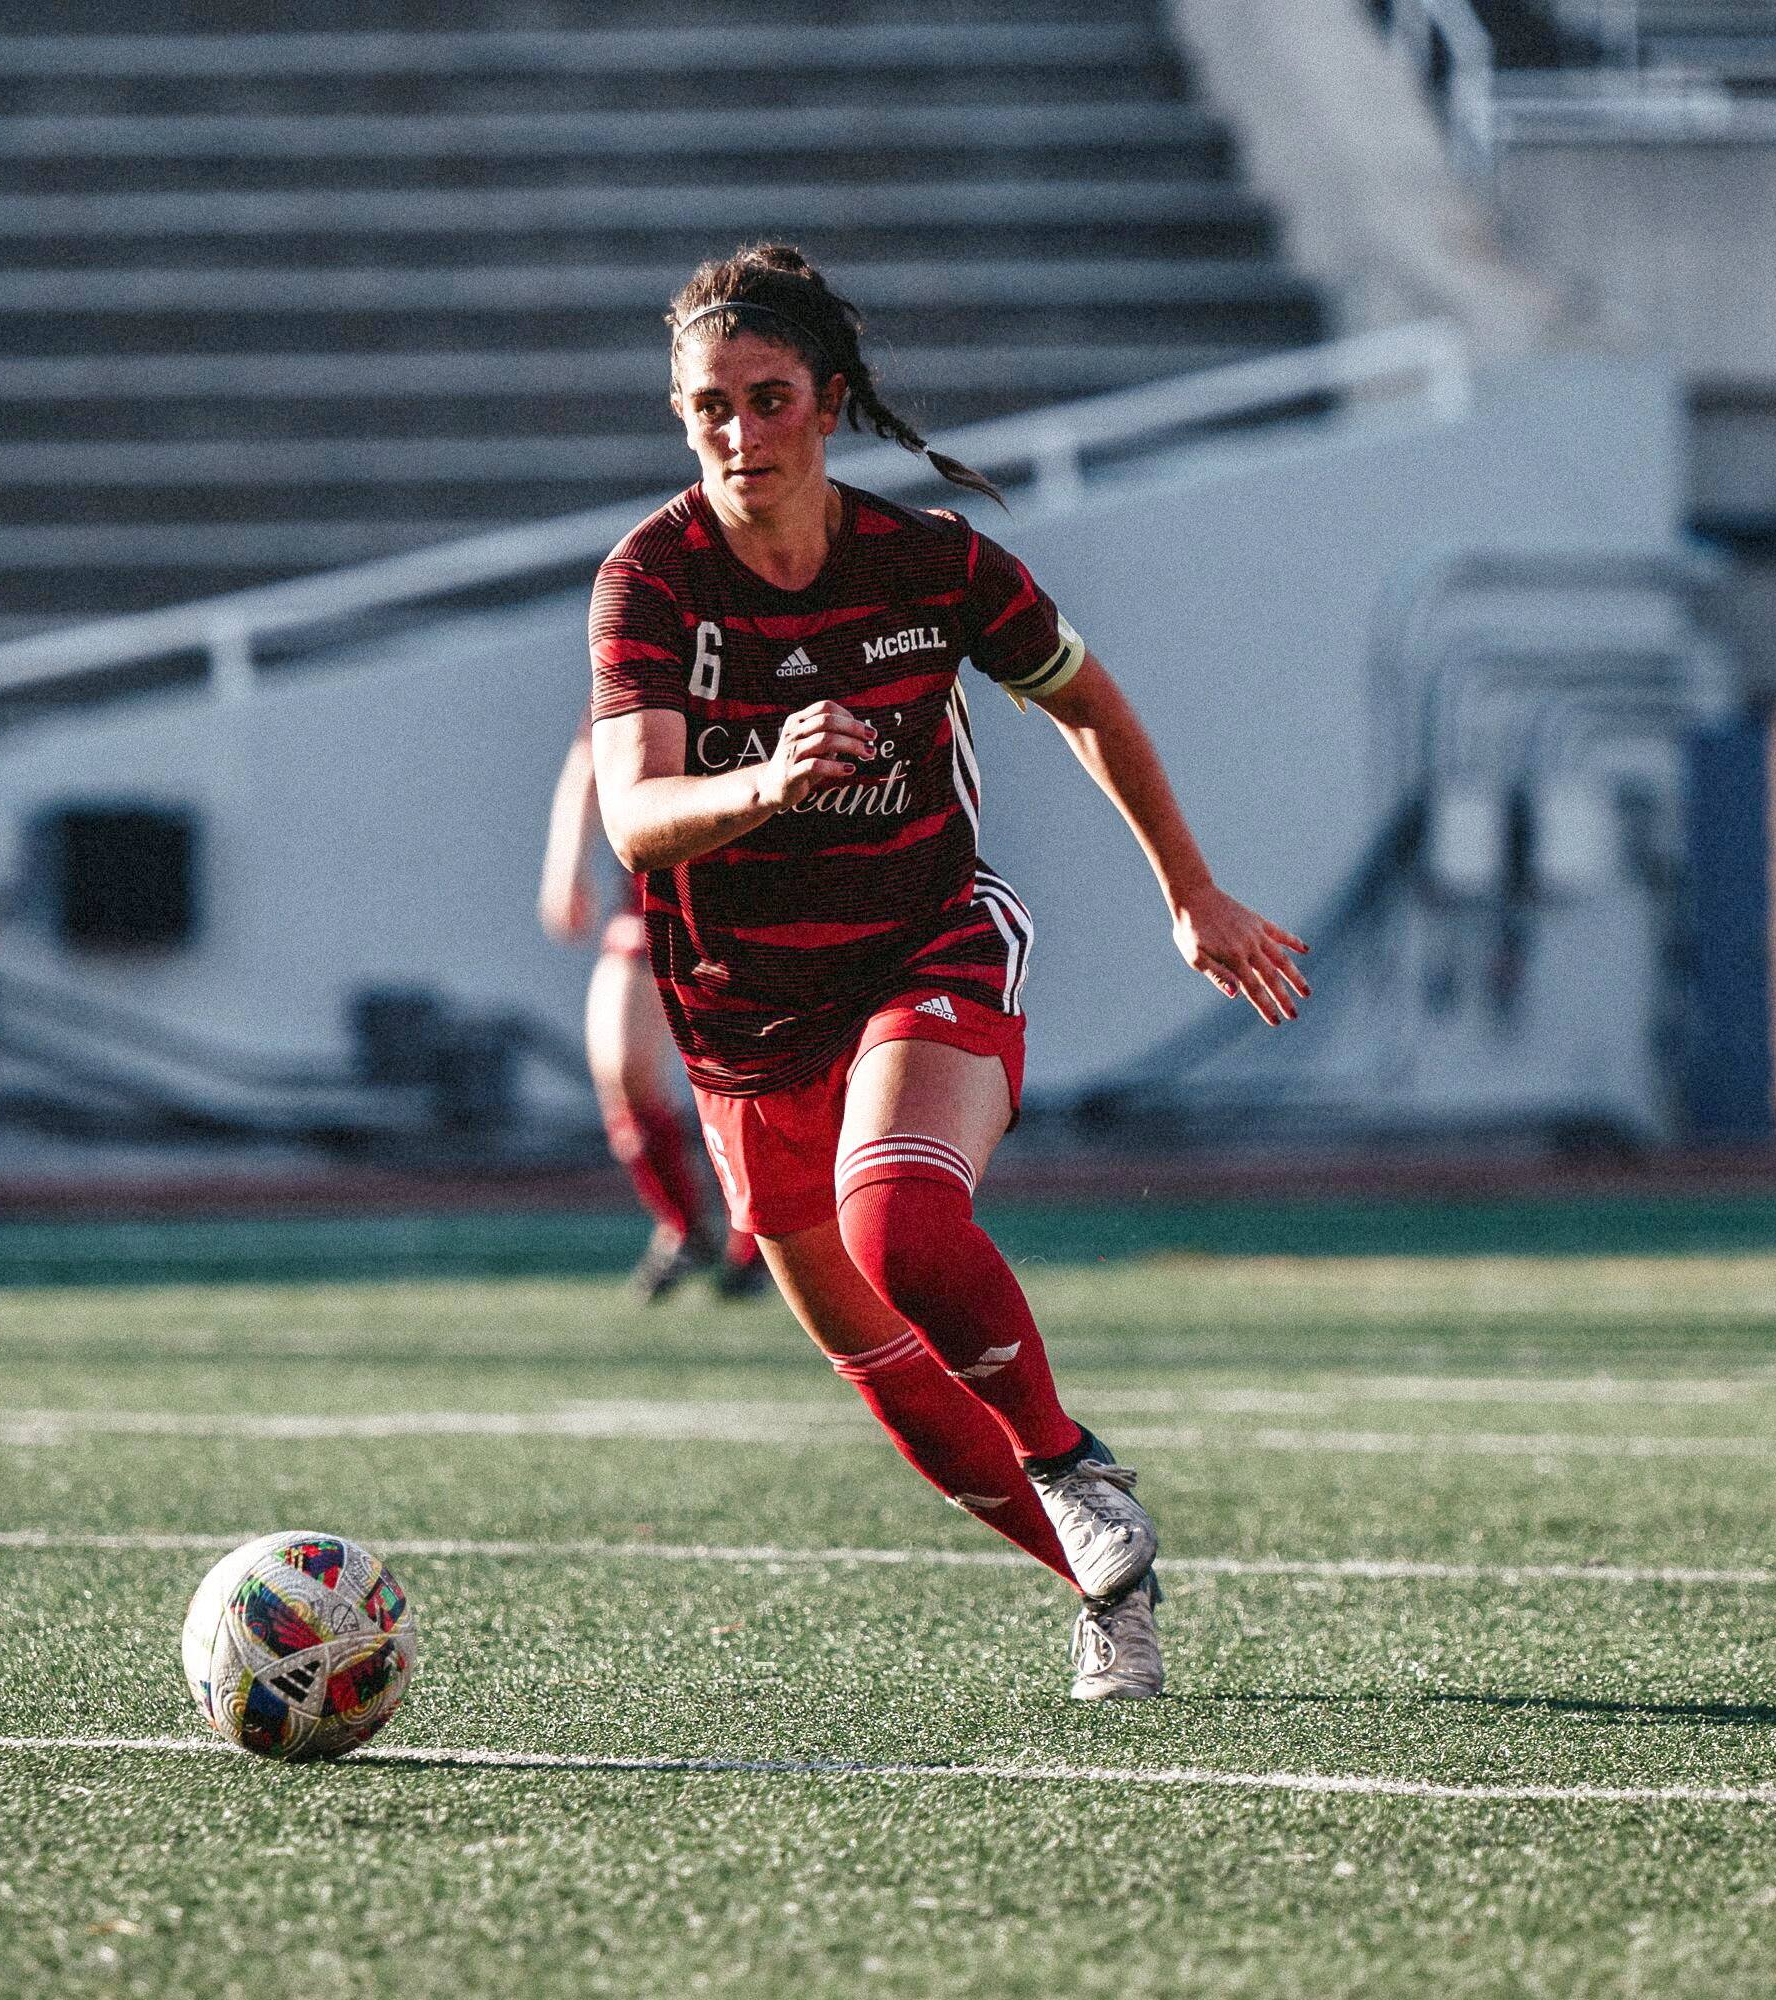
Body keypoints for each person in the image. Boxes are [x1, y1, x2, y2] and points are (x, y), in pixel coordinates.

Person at [586, 243, 1309, 1700]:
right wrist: (766, 786)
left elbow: (1084, 699)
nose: (737, 433)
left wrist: (1192, 890)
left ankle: (1066, 1455)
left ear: (829, 403)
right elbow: (633, 815)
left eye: (766, 398)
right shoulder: (650, 581)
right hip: (741, 1023)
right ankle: (1109, 1587)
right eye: (706, 408)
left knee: (901, 1230)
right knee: (889, 1371)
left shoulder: (936, 566)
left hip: (925, 943)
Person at [539, 728, 766, 1302]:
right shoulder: (652, 638)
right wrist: (566, 863)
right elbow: (596, 747)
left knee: (757, 1075)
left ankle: (760, 1238)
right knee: (621, 1065)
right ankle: (687, 1226)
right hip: (658, 877)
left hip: (755, 878)